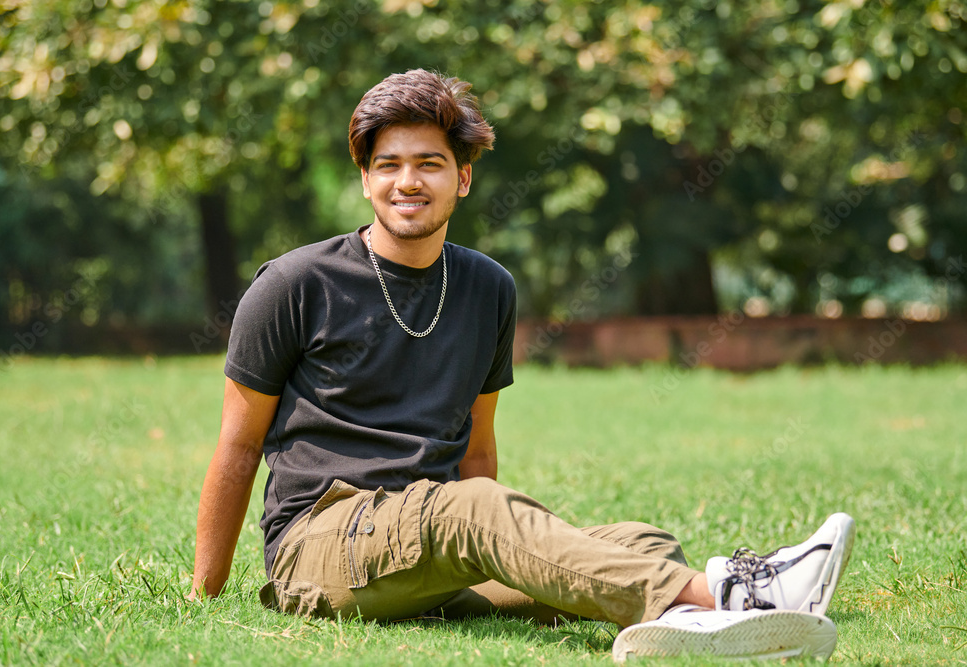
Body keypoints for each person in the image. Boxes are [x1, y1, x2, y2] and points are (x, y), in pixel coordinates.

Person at [190, 69, 856, 661]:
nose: (408, 181)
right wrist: (205, 594)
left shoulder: (487, 288)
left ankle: (684, 621)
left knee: (635, 537)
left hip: (432, 549)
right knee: (475, 510)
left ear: (464, 177)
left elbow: (477, 452)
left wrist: (493, 544)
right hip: (321, 548)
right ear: (365, 178)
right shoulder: (294, 283)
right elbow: (239, 443)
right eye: (388, 164)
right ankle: (738, 593)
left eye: (430, 162)